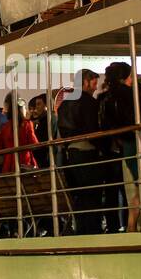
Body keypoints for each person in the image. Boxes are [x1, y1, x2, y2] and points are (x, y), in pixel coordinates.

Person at [98, 62, 141, 233]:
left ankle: (125, 225)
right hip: (135, 141)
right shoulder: (133, 94)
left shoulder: (105, 98)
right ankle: (136, 224)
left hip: (117, 146)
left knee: (125, 187)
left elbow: (105, 123)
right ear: (125, 77)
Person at [57, 69, 105, 234]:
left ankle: (82, 228)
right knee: (92, 193)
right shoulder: (88, 102)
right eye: (94, 82)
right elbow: (92, 130)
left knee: (80, 194)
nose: (96, 86)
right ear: (85, 82)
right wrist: (103, 146)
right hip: (87, 151)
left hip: (71, 151)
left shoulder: (66, 103)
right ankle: (92, 228)